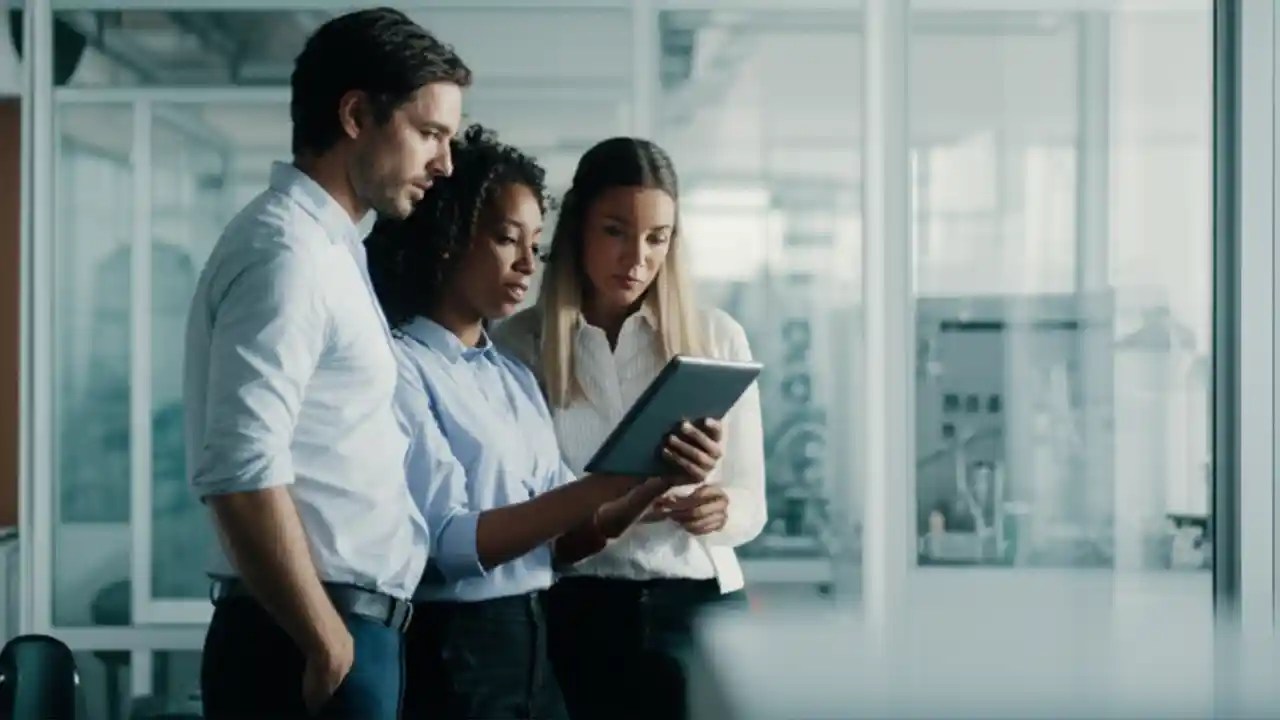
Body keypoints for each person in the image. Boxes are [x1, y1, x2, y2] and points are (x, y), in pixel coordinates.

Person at [364, 125, 725, 720]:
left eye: (536, 242)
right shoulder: (402, 368)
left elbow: (569, 540)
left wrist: (653, 478)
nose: (529, 263)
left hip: (535, 650)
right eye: (508, 240)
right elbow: (453, 545)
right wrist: (609, 482)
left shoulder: (509, 374)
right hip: (457, 651)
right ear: (449, 239)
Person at [182, 9, 469, 719]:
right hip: (308, 636)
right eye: (430, 133)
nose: (446, 163)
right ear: (355, 115)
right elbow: (241, 469)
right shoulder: (288, 254)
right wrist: (328, 644)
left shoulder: (331, 250)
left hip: (340, 631)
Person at [492, 137, 768, 720]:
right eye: (615, 231)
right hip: (578, 609)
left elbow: (752, 502)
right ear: (578, 231)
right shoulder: (520, 347)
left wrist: (721, 509)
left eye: (656, 238)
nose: (637, 257)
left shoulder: (716, 338)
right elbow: (521, 512)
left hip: (698, 603)